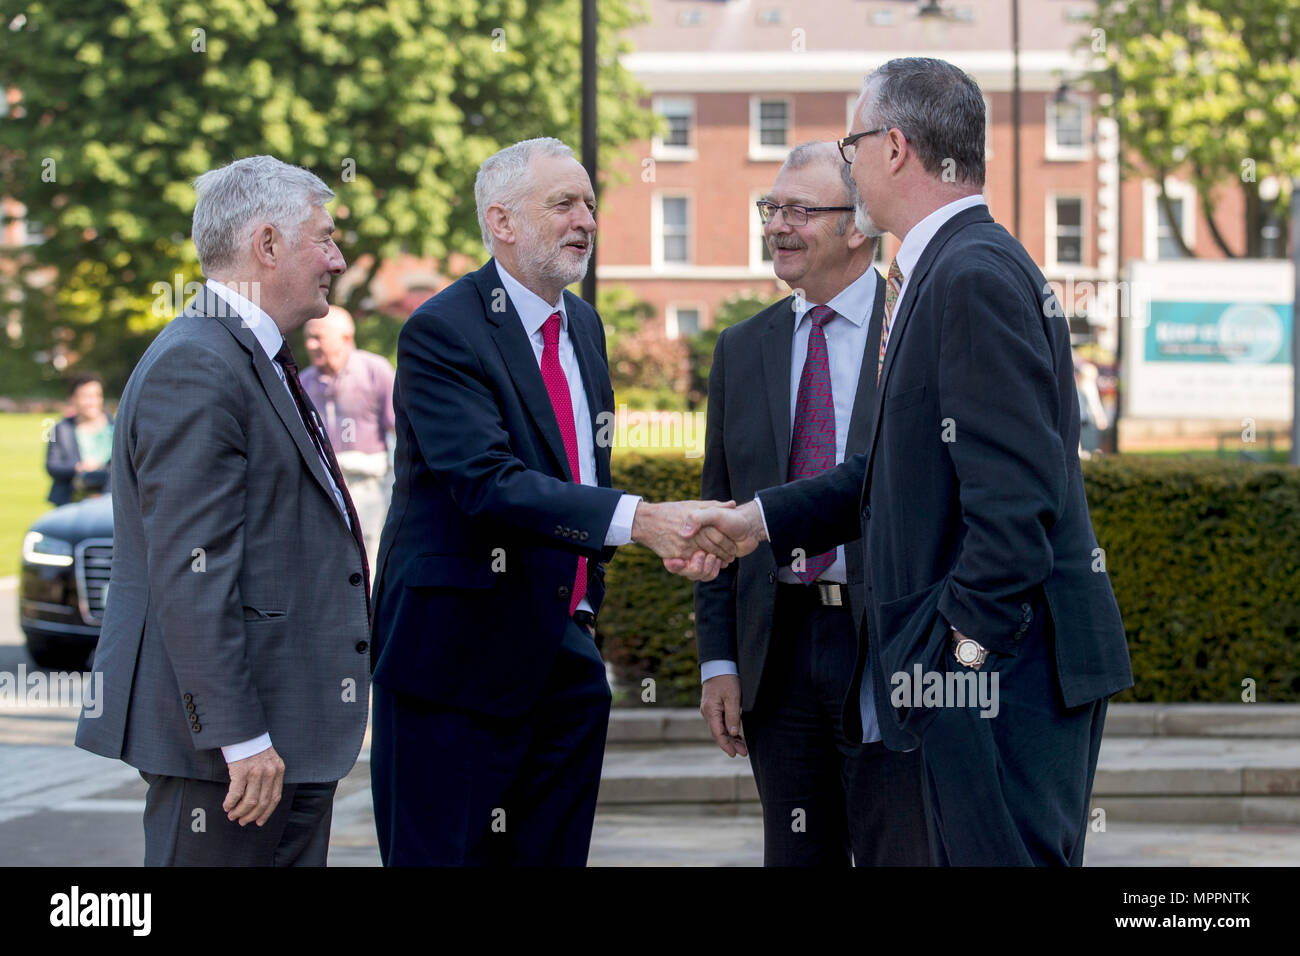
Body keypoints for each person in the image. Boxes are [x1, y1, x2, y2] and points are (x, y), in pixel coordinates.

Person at [686, 58, 1133, 866]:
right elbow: (889, 474)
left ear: (894, 147)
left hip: (998, 684)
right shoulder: (953, 267)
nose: (846, 157)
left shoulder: (969, 275)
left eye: (854, 140)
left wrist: (951, 665)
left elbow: (1014, 510)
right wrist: (756, 521)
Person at [368, 137, 733, 867]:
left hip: (563, 664)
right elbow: (487, 481)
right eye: (563, 203)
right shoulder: (443, 330)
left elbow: (578, 474)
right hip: (455, 673)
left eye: (591, 204)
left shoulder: (586, 328)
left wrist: (587, 611)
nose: (586, 220)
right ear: (501, 222)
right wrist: (643, 521)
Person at [75, 155, 372, 866]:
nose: (337, 257)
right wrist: (241, 739)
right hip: (235, 760)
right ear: (267, 245)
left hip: (283, 742)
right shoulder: (200, 363)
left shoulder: (246, 353)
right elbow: (191, 574)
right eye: (324, 239)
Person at [694, 141, 928, 866]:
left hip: (887, 647)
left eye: (800, 210)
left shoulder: (917, 330)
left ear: (857, 226)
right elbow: (717, 508)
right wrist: (718, 662)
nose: (777, 226)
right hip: (779, 652)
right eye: (771, 209)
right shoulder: (742, 347)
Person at [300, 305, 396, 569]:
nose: (310, 344)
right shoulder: (304, 382)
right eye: (309, 337)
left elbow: (399, 431)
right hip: (328, 490)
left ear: (345, 337)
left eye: (318, 337)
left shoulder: (375, 370)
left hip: (371, 487)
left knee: (372, 561)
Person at [46, 373, 114, 505]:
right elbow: (52, 465)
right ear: (72, 399)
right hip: (71, 499)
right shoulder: (59, 429)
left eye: (96, 396)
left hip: (109, 500)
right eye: (85, 396)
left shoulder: (117, 428)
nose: (91, 402)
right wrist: (78, 467)